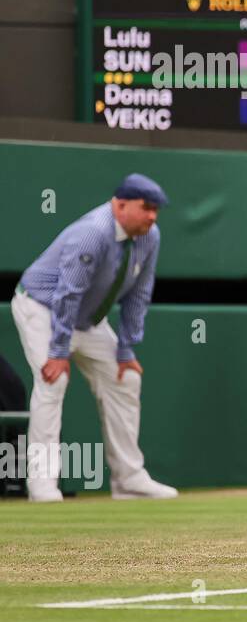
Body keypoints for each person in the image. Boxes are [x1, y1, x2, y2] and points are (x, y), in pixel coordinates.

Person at [11, 174, 178, 502]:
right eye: (146, 208)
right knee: (52, 383)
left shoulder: (150, 236)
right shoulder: (93, 232)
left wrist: (126, 348)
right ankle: (42, 485)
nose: (152, 216)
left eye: (156, 210)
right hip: (42, 308)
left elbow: (138, 295)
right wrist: (59, 350)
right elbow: (67, 294)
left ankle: (128, 479)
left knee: (126, 378)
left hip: (87, 321)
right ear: (120, 204)